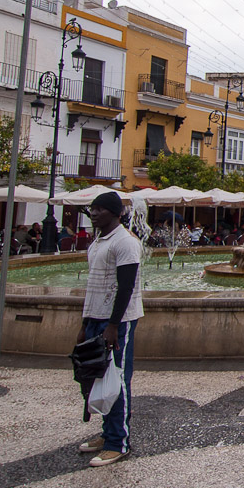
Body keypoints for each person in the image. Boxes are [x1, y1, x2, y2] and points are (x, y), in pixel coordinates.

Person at [76, 191, 143, 468]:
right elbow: (94, 286)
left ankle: (118, 443)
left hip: (118, 321)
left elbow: (126, 287)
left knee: (117, 379)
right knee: (100, 377)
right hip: (96, 318)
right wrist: (85, 324)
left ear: (115, 213)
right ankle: (107, 433)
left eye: (100, 209)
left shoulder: (125, 242)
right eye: (92, 209)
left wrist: (114, 325)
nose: (93, 213)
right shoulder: (98, 242)